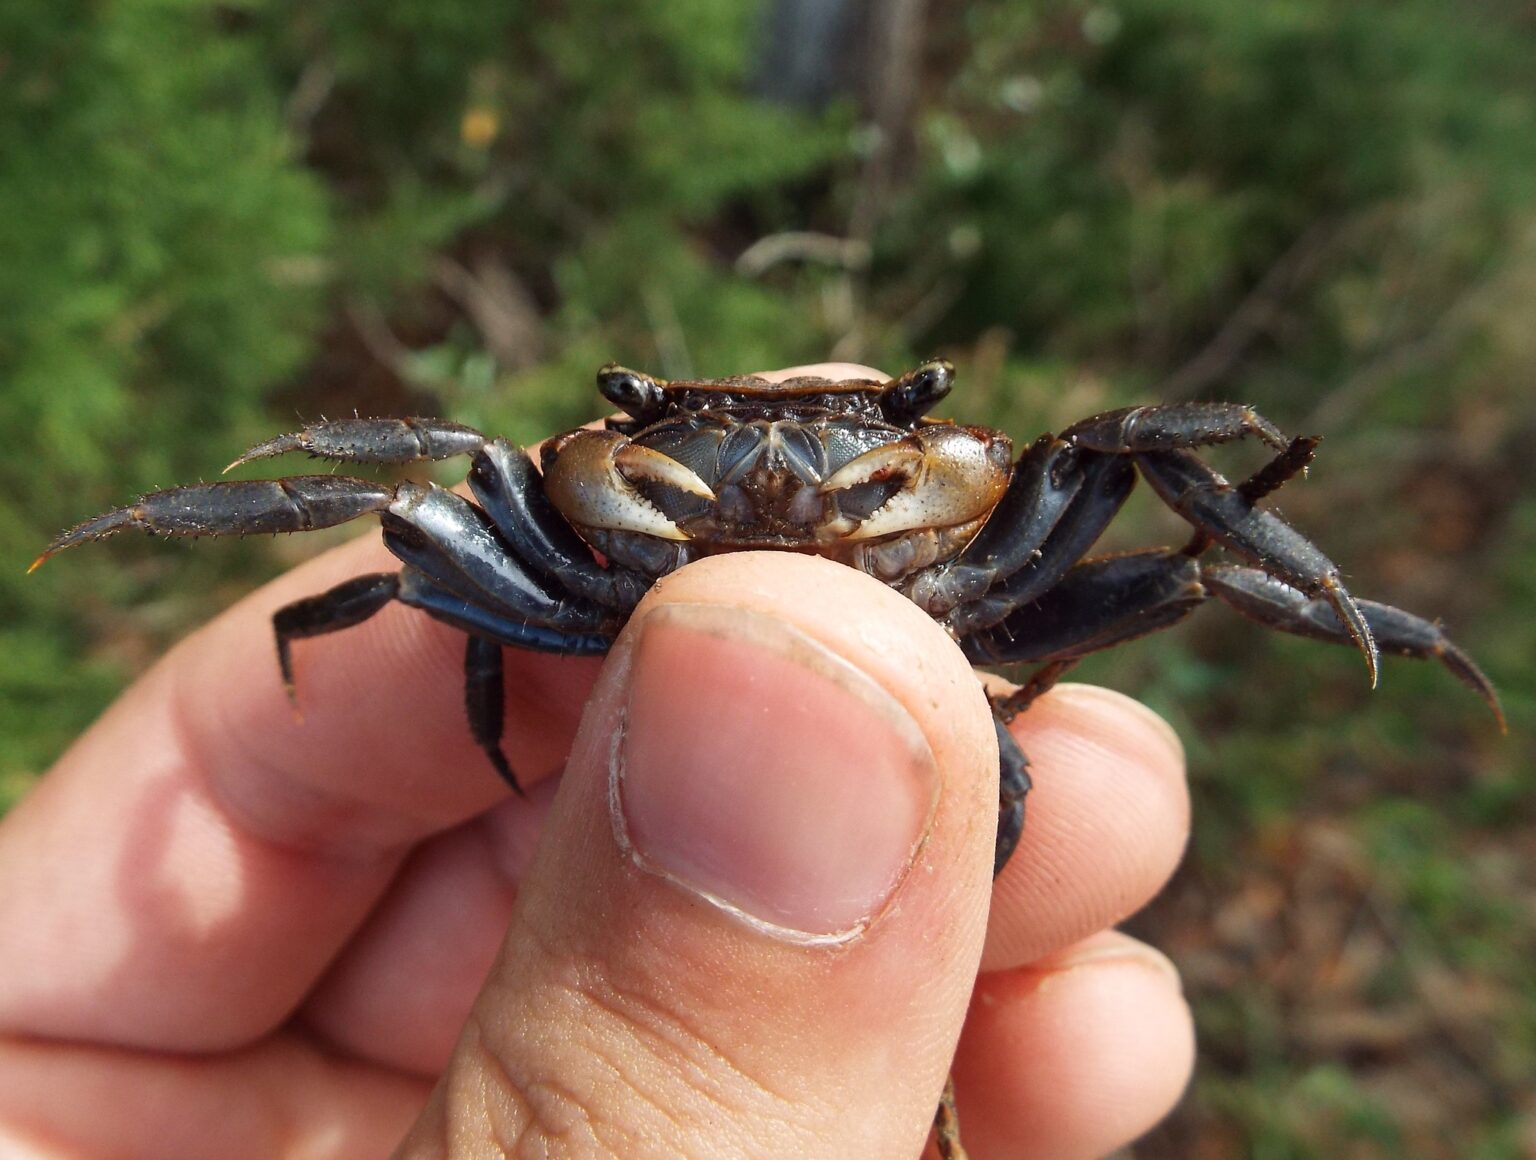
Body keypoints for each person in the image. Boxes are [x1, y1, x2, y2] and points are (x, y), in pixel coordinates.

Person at [0, 366, 1194, 1158]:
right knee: (420, 505)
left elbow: (1120, 451)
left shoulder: (988, 507)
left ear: (915, 420)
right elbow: (428, 494)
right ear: (626, 429)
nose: (772, 466)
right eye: (673, 434)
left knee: (1159, 525)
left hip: (930, 628)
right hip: (604, 600)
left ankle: (1349, 608)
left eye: (863, 436)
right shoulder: (551, 533)